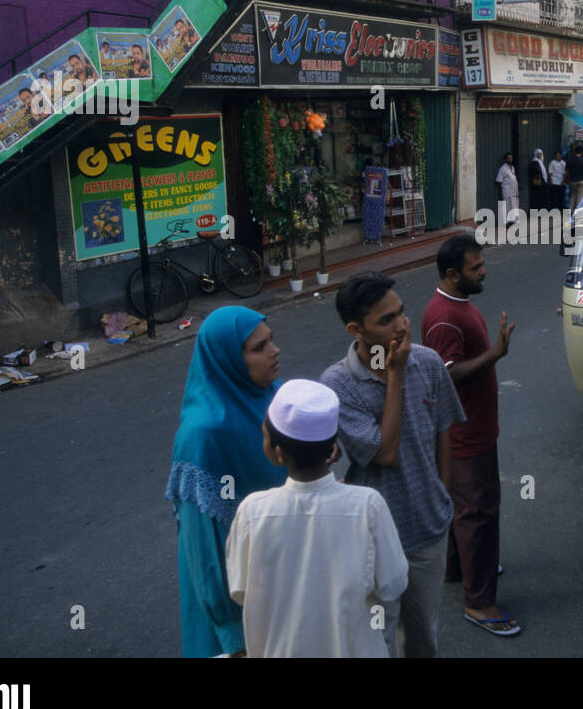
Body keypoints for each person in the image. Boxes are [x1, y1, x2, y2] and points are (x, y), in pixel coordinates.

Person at [320, 272, 464, 658]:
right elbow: (384, 453)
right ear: (355, 329)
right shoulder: (338, 384)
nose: (402, 325)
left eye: (401, 313)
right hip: (372, 539)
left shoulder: (429, 363)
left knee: (422, 640)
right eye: (386, 320)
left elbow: (443, 432)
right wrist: (395, 375)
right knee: (379, 642)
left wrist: (443, 498)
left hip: (429, 531)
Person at [225, 379, 409, 658]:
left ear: (278, 452)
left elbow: (240, 591)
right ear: (332, 447)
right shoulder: (368, 506)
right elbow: (392, 584)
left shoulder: (253, 512)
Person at [165, 307, 286, 657]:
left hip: (281, 567)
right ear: (227, 361)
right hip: (235, 591)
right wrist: (234, 634)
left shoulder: (270, 395)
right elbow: (203, 545)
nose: (274, 351)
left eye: (271, 340)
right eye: (258, 347)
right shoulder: (204, 435)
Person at [421, 235, 521, 637]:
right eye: (476, 268)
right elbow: (446, 374)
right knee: (478, 513)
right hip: (465, 435)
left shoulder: (457, 305)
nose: (484, 271)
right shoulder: (445, 316)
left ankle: (460, 566)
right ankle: (479, 603)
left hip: (474, 429)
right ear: (451, 274)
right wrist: (496, 354)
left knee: (463, 507)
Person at [495, 152, 520, 221]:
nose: (510, 160)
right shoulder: (502, 168)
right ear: (505, 159)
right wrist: (501, 193)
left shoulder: (512, 168)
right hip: (507, 192)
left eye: (511, 158)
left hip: (514, 191)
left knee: (514, 206)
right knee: (507, 207)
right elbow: (498, 181)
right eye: (508, 158)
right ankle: (507, 222)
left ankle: (513, 221)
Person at [565, 145, 583, 209]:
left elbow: (566, 171)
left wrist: (569, 177)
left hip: (572, 181)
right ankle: (578, 212)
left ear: (575, 152)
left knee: (572, 196)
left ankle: (570, 211)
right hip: (581, 181)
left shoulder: (570, 160)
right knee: (579, 197)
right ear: (581, 152)